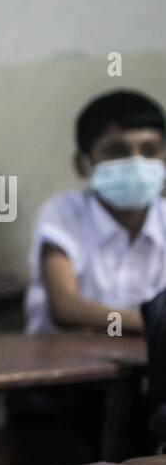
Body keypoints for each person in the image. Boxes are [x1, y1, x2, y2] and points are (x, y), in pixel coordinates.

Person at [24, 89, 166, 335]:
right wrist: (153, 326)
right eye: (116, 151)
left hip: (148, 361)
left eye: (149, 150)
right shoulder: (63, 213)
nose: (136, 163)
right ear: (82, 163)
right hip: (65, 364)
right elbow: (65, 308)